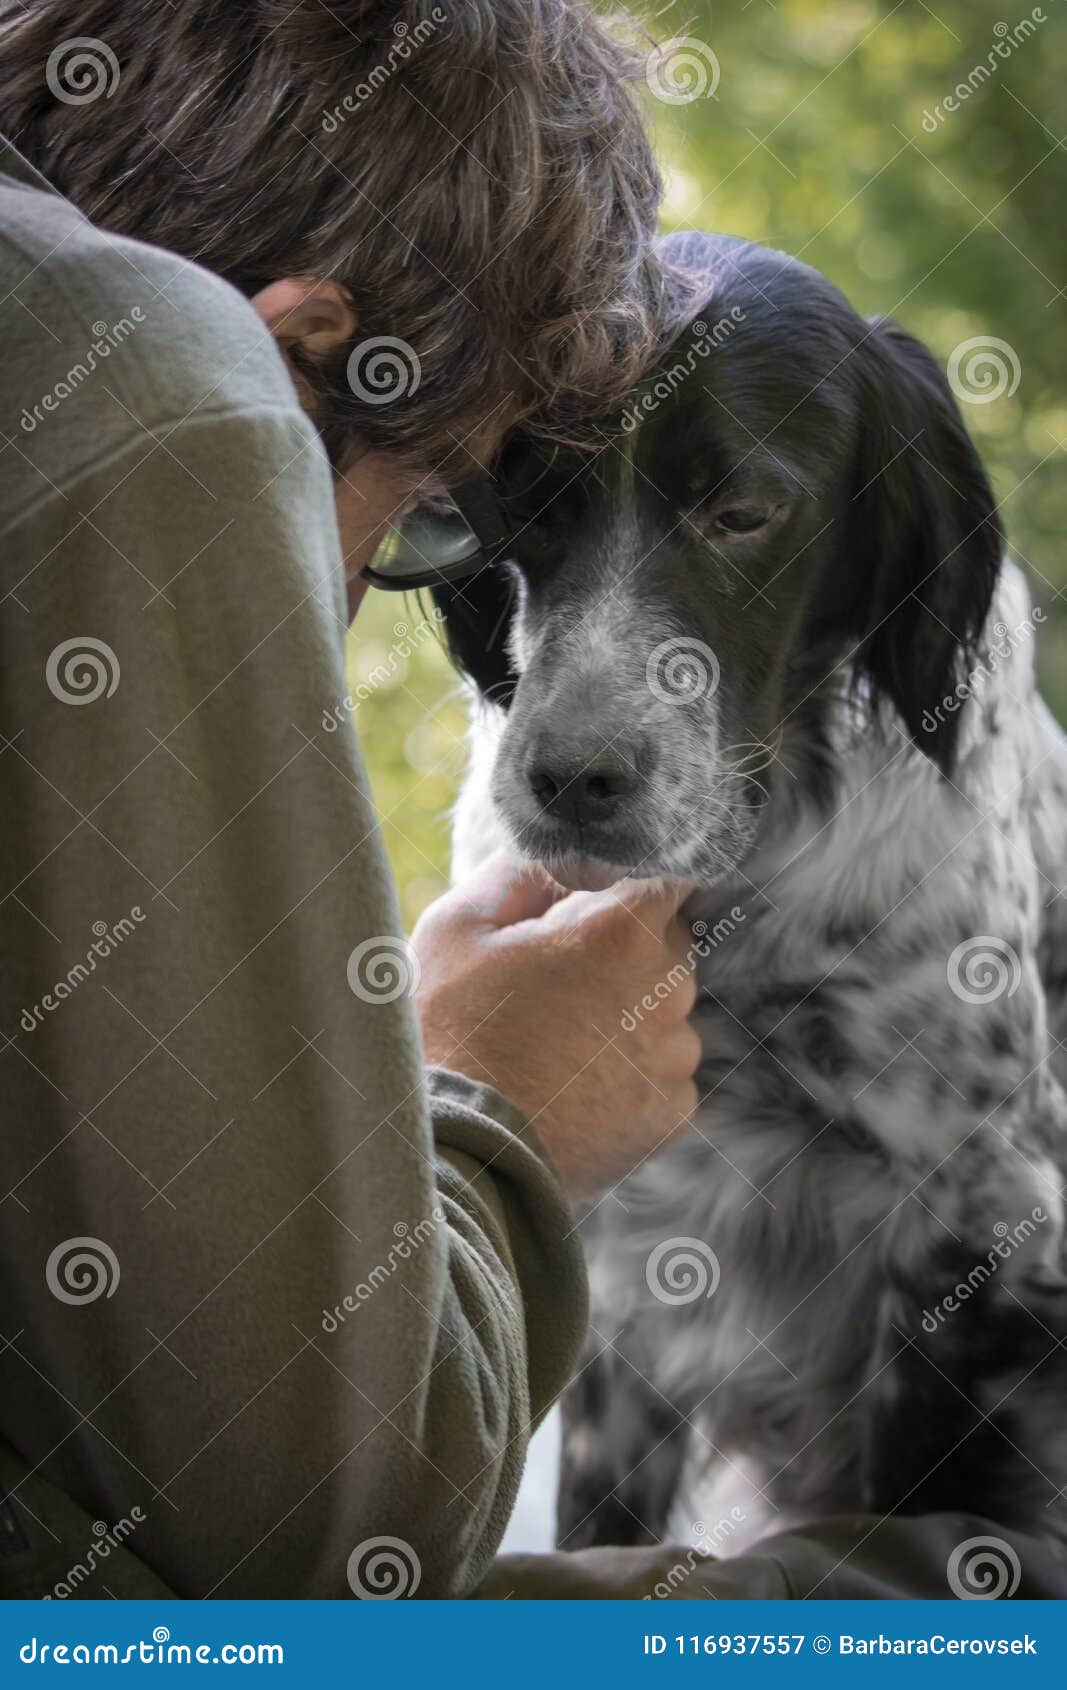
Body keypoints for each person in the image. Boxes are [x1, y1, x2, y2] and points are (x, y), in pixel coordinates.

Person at [0, 1, 1060, 1603]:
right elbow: (296, 1553)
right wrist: (484, 1115)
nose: (363, 596)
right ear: (292, 349)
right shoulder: (160, 403)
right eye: (445, 517)